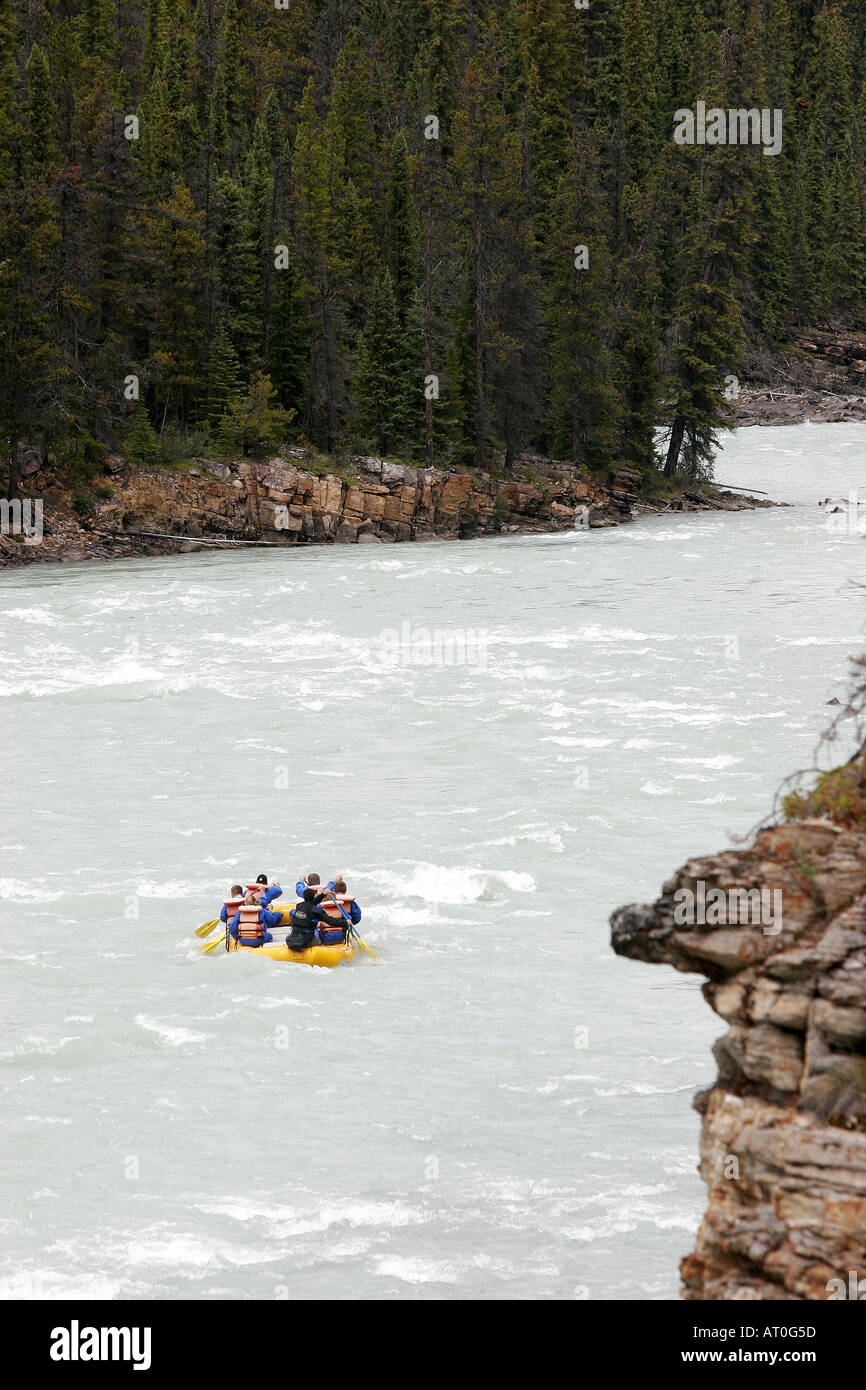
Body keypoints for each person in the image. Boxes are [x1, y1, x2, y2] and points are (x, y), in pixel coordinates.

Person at [285, 888, 341, 953]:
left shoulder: (299, 906)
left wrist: (323, 894)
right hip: (307, 938)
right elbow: (330, 921)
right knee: (318, 940)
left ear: (304, 897)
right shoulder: (316, 911)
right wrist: (345, 922)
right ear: (313, 896)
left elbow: (311, 903)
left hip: (295, 934)